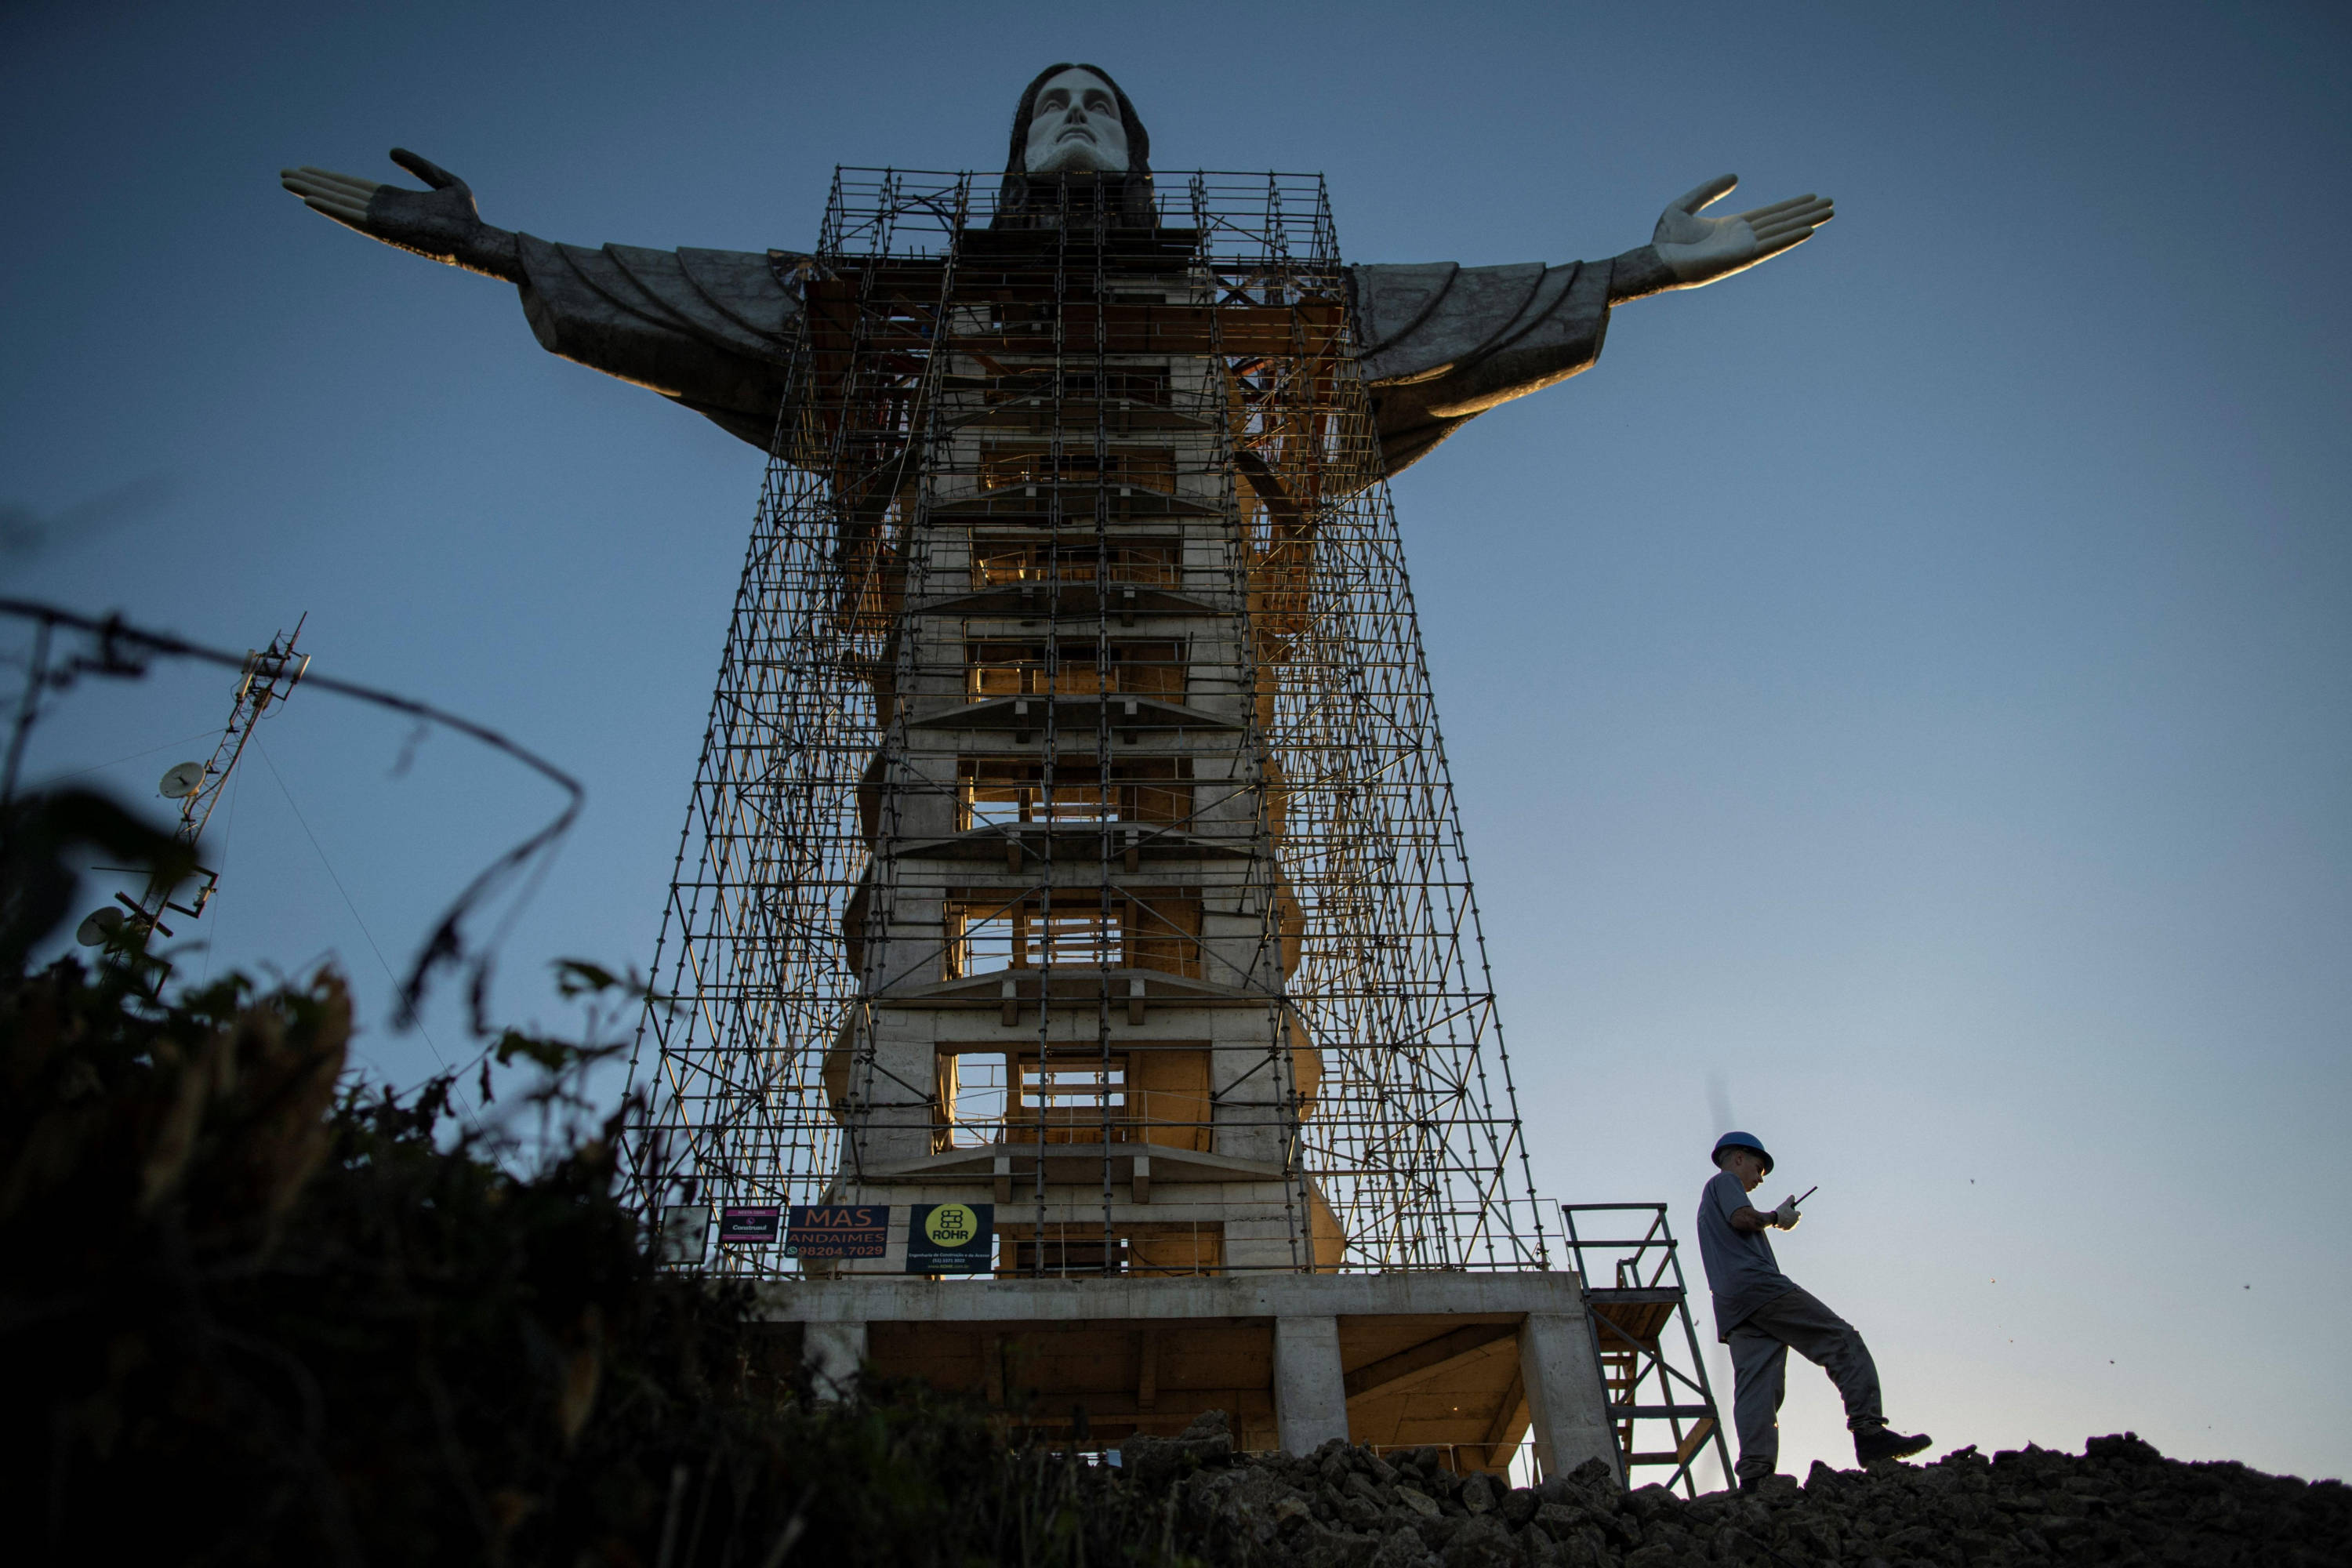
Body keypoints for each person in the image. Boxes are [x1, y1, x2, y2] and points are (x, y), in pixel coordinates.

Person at [1697, 1131, 1931, 1486]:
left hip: (1732, 1306)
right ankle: (1869, 1433)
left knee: (1758, 1386)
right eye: (1759, 1169)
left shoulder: (1708, 1206)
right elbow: (1743, 1218)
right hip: (1759, 1288)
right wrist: (1776, 1217)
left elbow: (1740, 1223)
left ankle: (1755, 1476)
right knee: (1841, 1340)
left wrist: (1773, 1217)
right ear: (1739, 1158)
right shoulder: (1725, 1182)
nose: (1760, 1179)